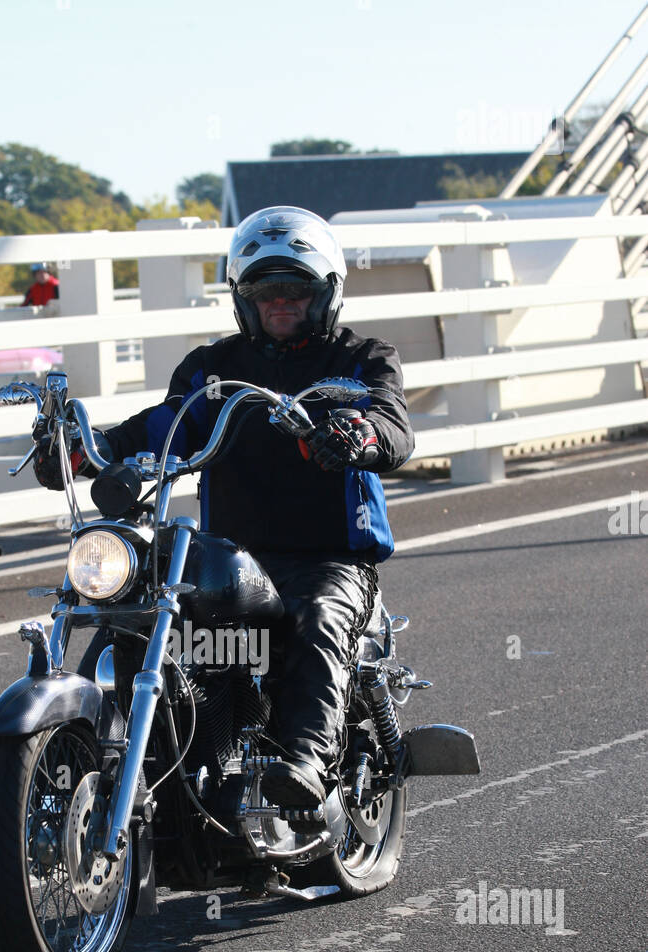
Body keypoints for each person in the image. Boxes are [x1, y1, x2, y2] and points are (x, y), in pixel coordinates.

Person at [34, 206, 414, 809]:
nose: (281, 303)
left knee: (314, 621)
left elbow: (391, 422)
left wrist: (356, 436)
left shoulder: (360, 358)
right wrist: (86, 452)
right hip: (230, 558)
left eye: (297, 290)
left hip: (328, 556)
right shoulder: (213, 367)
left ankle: (306, 762)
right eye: (266, 291)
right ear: (243, 297)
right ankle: (167, 769)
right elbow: (166, 425)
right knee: (148, 615)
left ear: (327, 294)